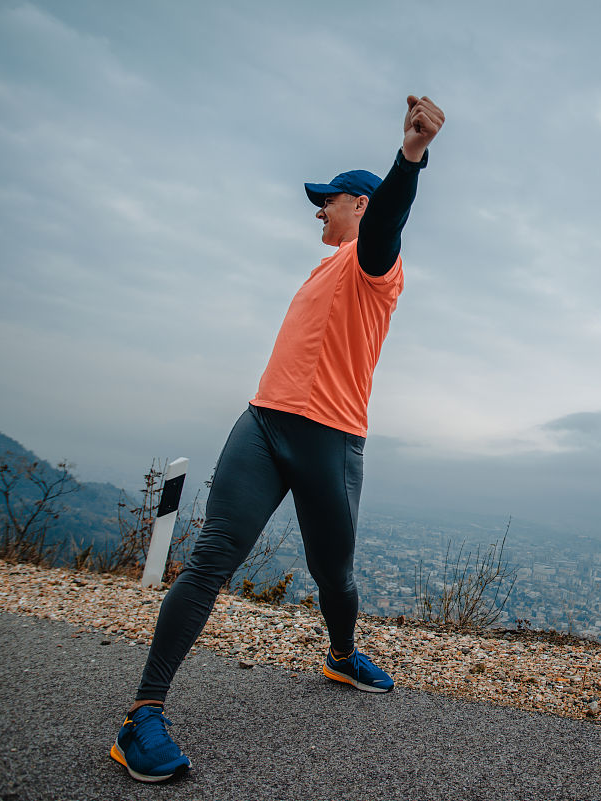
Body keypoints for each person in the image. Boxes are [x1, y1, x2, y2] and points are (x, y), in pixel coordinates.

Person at [109, 95, 445, 783]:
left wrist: (409, 157)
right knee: (209, 561)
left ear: (358, 202)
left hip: (332, 443)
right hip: (262, 424)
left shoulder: (375, 262)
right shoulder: (323, 267)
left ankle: (341, 653)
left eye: (328, 200)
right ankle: (141, 714)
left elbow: (388, 223)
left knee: (335, 576)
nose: (318, 210)